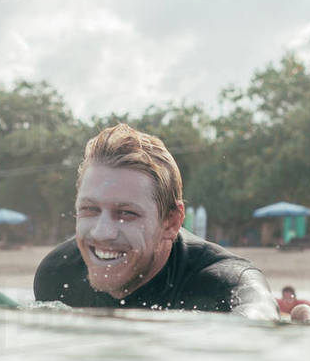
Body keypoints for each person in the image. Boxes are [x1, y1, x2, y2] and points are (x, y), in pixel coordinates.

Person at [33, 124, 279, 320]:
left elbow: (259, 326)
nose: (102, 232)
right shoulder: (58, 275)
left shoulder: (227, 286)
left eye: (126, 213)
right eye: (90, 209)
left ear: (171, 222)